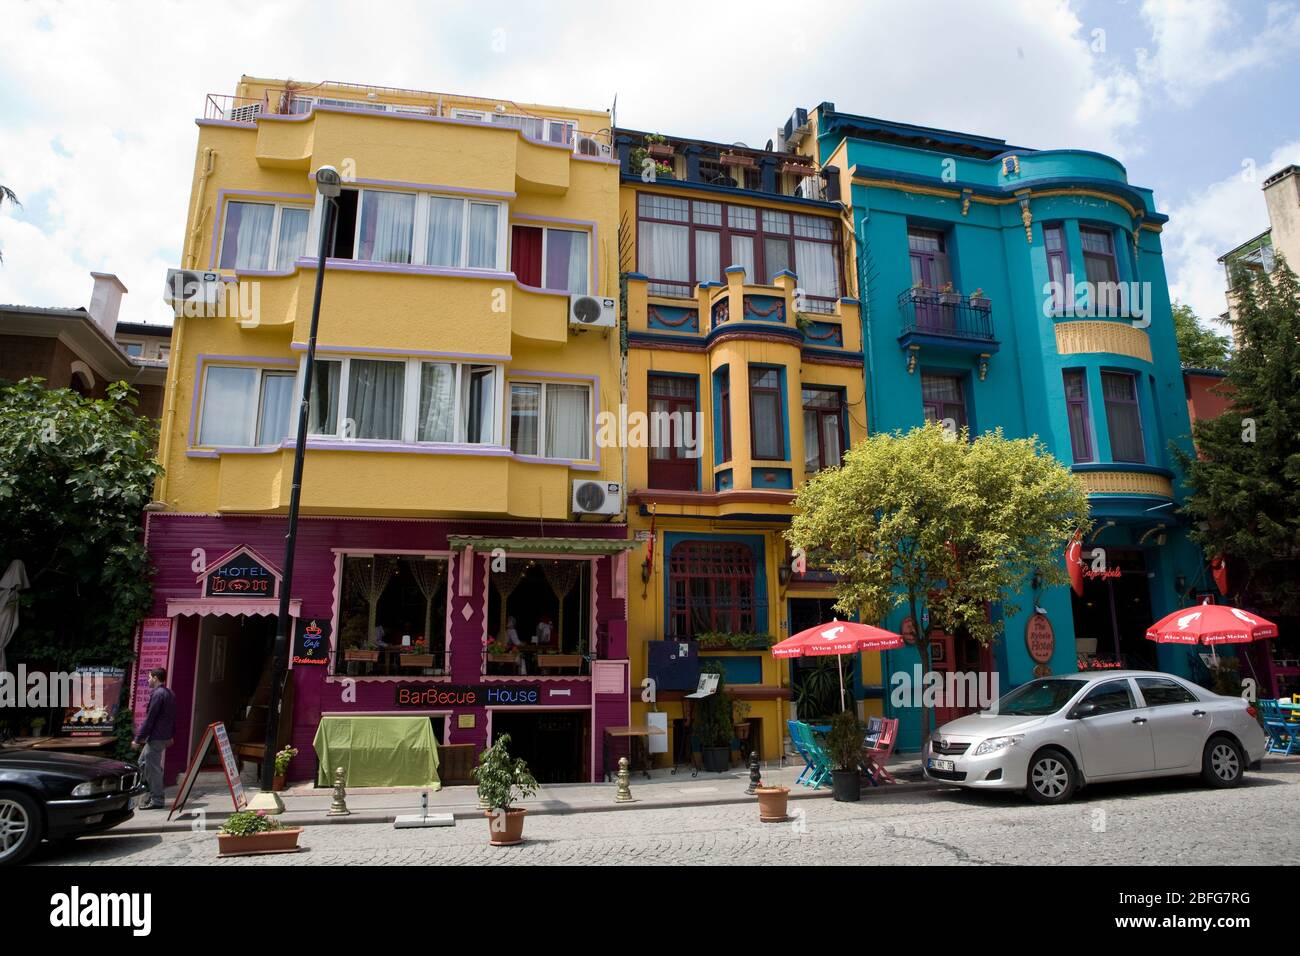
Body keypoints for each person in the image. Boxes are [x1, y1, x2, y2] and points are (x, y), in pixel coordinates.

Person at [132, 667, 176, 810]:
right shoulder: (169, 693)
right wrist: (171, 735)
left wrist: (138, 739)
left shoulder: (158, 694)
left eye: (150, 677)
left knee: (152, 767)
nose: (148, 680)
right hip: (162, 736)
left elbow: (150, 718)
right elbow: (172, 717)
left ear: (156, 678)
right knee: (143, 761)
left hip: (157, 737)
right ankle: (152, 790)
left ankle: (157, 799)